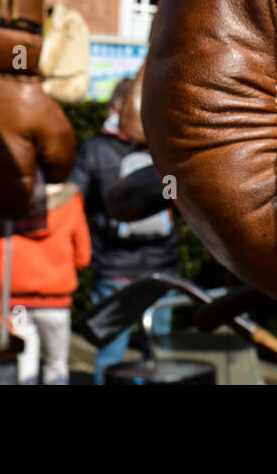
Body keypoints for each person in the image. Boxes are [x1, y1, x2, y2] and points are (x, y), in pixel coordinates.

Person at [70, 78, 179, 384]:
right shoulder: (165, 150)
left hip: (114, 267)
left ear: (118, 107)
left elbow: (75, 198)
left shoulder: (94, 150)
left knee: (110, 353)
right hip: (161, 268)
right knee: (158, 353)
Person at [0, 181, 90, 385]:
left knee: (25, 366)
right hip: (56, 303)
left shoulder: (9, 203)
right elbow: (83, 258)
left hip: (18, 304)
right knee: (57, 366)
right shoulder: (71, 202)